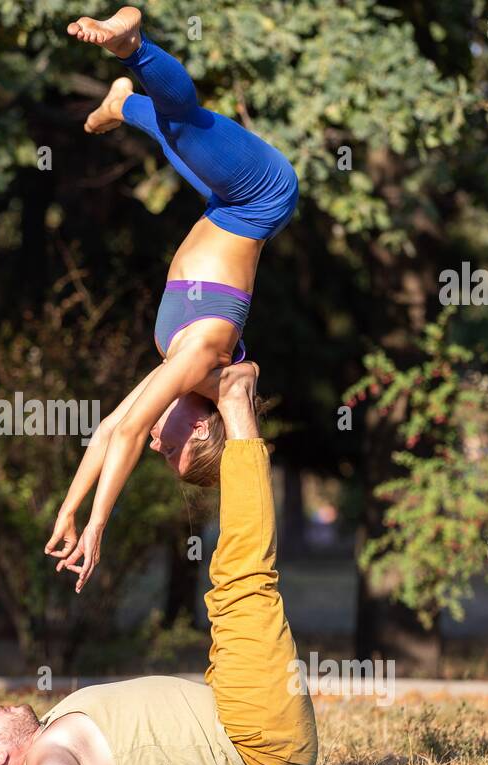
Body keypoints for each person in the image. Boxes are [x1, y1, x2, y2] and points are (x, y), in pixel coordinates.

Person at [0, 363, 318, 765]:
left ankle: (231, 408)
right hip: (257, 742)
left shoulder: (56, 723)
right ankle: (236, 405)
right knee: (242, 579)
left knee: (230, 585)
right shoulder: (51, 749)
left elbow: (116, 428)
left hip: (237, 713)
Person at [46, 7, 300, 594]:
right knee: (183, 121)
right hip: (260, 195)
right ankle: (131, 45)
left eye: (163, 453)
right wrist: (99, 528)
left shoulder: (178, 369)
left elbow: (111, 428)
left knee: (174, 126)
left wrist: (70, 510)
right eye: (176, 448)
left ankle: (121, 104)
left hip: (222, 204)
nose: (161, 442)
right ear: (205, 429)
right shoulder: (204, 361)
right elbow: (134, 429)